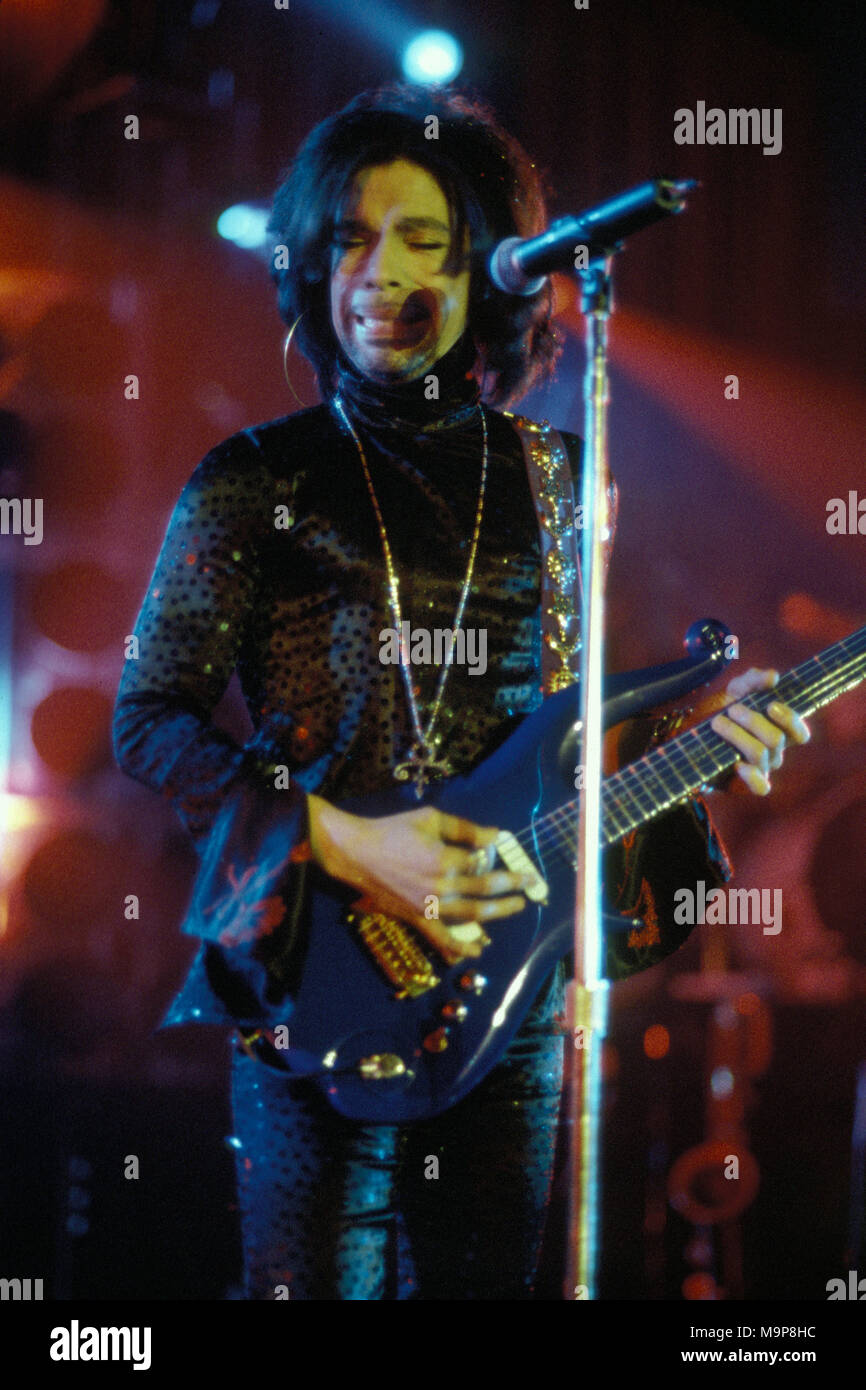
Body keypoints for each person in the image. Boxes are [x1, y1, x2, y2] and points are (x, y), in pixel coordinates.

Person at [113, 84, 809, 1300]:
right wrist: (351, 840)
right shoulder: (253, 478)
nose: (376, 274)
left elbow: (594, 728)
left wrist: (712, 723)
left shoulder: (559, 480)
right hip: (310, 965)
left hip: (513, 991)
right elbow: (149, 721)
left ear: (489, 267)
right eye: (348, 238)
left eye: (421, 241)